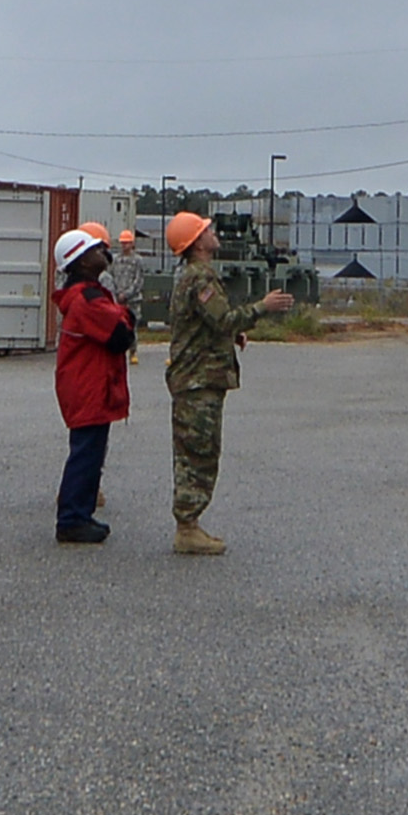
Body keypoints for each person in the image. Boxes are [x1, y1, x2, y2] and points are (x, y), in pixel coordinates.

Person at [159, 208, 249, 555]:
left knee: (197, 450)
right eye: (207, 230)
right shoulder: (200, 279)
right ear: (197, 243)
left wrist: (231, 335)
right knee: (198, 452)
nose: (215, 234)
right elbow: (223, 318)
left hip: (198, 377)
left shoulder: (196, 276)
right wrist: (262, 308)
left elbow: (209, 324)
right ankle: (187, 526)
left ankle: (190, 524)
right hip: (198, 379)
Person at [50, 227, 134, 545]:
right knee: (86, 454)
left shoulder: (87, 296)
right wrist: (125, 316)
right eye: (96, 250)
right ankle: (71, 519)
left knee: (90, 452)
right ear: (82, 261)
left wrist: (122, 317)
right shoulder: (88, 300)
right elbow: (121, 336)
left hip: (87, 385)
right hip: (89, 387)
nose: (104, 254)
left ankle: (80, 515)